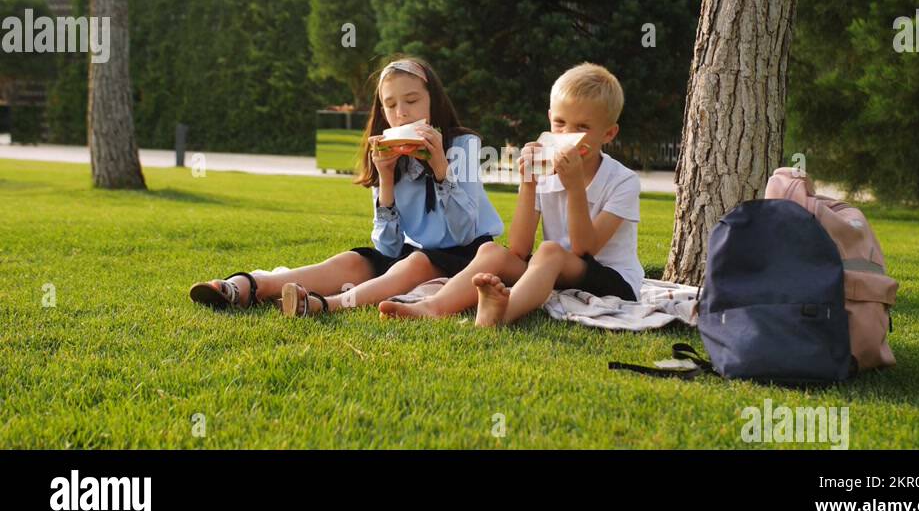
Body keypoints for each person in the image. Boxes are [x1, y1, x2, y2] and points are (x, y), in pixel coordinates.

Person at [189, 57, 504, 317]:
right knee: (351, 261)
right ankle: (250, 285)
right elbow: (388, 249)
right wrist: (386, 181)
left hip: (466, 255)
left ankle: (324, 305)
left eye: (412, 100)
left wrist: (440, 169)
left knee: (416, 263)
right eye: (390, 105)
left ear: (433, 100)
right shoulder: (386, 155)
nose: (401, 113)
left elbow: (463, 232)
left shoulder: (462, 145)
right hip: (411, 253)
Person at [379, 62, 643, 327]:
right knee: (491, 250)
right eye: (560, 123)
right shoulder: (545, 169)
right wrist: (528, 184)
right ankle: (433, 307)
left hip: (611, 279)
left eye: (582, 127)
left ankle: (501, 314)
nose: (566, 135)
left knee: (549, 251)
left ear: (609, 133)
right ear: (550, 117)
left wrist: (574, 187)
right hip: (555, 272)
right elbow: (519, 249)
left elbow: (584, 250)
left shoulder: (623, 181)